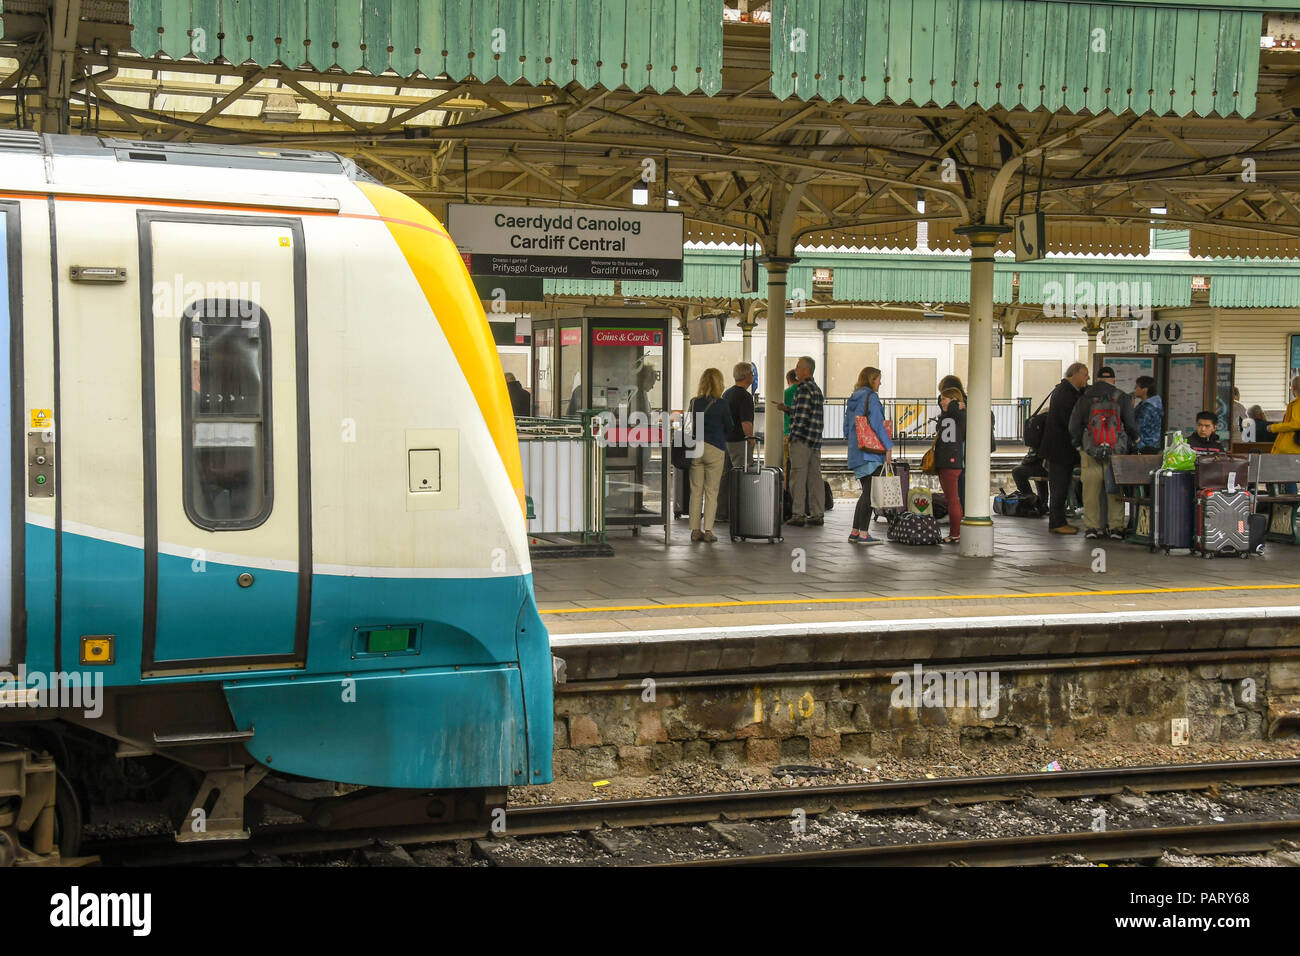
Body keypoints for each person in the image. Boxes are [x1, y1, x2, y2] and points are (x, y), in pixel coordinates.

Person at [1068, 365, 1139, 540]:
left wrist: (1079, 444)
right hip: (1115, 451)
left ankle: (1092, 527)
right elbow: (1130, 424)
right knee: (1114, 489)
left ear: (1097, 379)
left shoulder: (1085, 397)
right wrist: (1133, 440)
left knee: (1090, 491)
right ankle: (1115, 527)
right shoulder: (1121, 397)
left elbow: (1073, 425)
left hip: (1090, 450)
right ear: (1113, 380)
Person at [844, 366, 893, 545]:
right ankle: (864, 534)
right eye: (879, 379)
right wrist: (888, 447)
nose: (881, 382)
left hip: (857, 452)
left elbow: (846, 429)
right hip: (871, 454)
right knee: (870, 495)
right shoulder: (871, 398)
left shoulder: (853, 399)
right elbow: (878, 425)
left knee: (866, 492)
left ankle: (855, 532)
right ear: (872, 379)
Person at [1041, 362, 1089, 535]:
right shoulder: (1066, 393)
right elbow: (1070, 421)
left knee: (1061, 485)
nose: (1087, 378)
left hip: (1059, 449)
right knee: (1059, 487)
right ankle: (1057, 522)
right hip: (1060, 449)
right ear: (1074, 374)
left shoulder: (1065, 391)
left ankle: (1059, 520)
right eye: (1085, 374)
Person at [687, 368, 733, 543]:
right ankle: (708, 531)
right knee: (711, 492)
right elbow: (730, 426)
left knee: (696, 491)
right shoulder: (722, 404)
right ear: (719, 383)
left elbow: (688, 425)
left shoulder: (694, 402)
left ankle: (694, 530)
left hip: (696, 448)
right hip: (715, 448)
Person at [784, 356, 825, 527]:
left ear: (807, 370)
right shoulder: (816, 389)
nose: (796, 370)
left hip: (801, 441)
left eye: (799, 367)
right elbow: (810, 414)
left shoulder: (802, 389)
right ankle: (817, 513)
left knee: (797, 477)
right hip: (815, 441)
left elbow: (801, 417)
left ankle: (798, 513)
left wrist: (793, 438)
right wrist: (788, 410)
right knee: (815, 478)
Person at [934, 387, 966, 544]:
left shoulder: (955, 415)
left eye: (944, 399)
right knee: (952, 498)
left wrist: (954, 404)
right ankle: (955, 532)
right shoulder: (951, 415)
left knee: (953, 499)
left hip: (949, 463)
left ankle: (955, 533)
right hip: (949, 462)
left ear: (954, 400)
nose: (941, 402)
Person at [722, 362, 757, 470]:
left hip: (725, 440)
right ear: (745, 376)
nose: (753, 375)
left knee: (726, 476)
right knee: (742, 475)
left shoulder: (727, 393)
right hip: (739, 442)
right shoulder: (745, 397)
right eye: (751, 373)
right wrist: (751, 440)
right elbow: (746, 423)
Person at [1133, 375, 1164, 454]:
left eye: (1137, 387)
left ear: (1145, 389)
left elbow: (1137, 426)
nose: (1134, 389)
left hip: (1145, 446)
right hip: (1152, 445)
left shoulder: (1148, 407)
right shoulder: (1148, 404)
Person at [1269, 377, 1300, 454]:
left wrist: (1273, 427)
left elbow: (1297, 424)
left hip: (1292, 450)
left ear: (1293, 388)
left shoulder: (1297, 404)